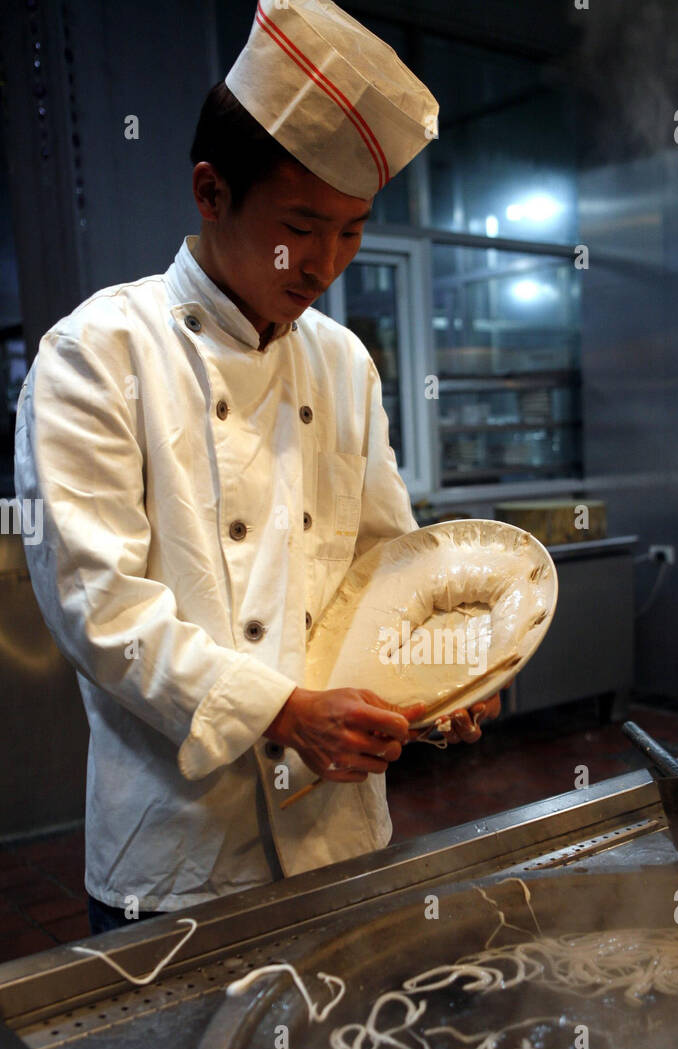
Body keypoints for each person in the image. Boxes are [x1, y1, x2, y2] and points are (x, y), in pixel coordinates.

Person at [15, 0, 500, 934]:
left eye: (353, 231)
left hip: (342, 833)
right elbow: (100, 612)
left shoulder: (342, 360)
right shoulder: (97, 352)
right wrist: (285, 711)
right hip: (185, 852)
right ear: (210, 192)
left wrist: (439, 679)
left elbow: (383, 567)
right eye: (301, 227)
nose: (325, 263)